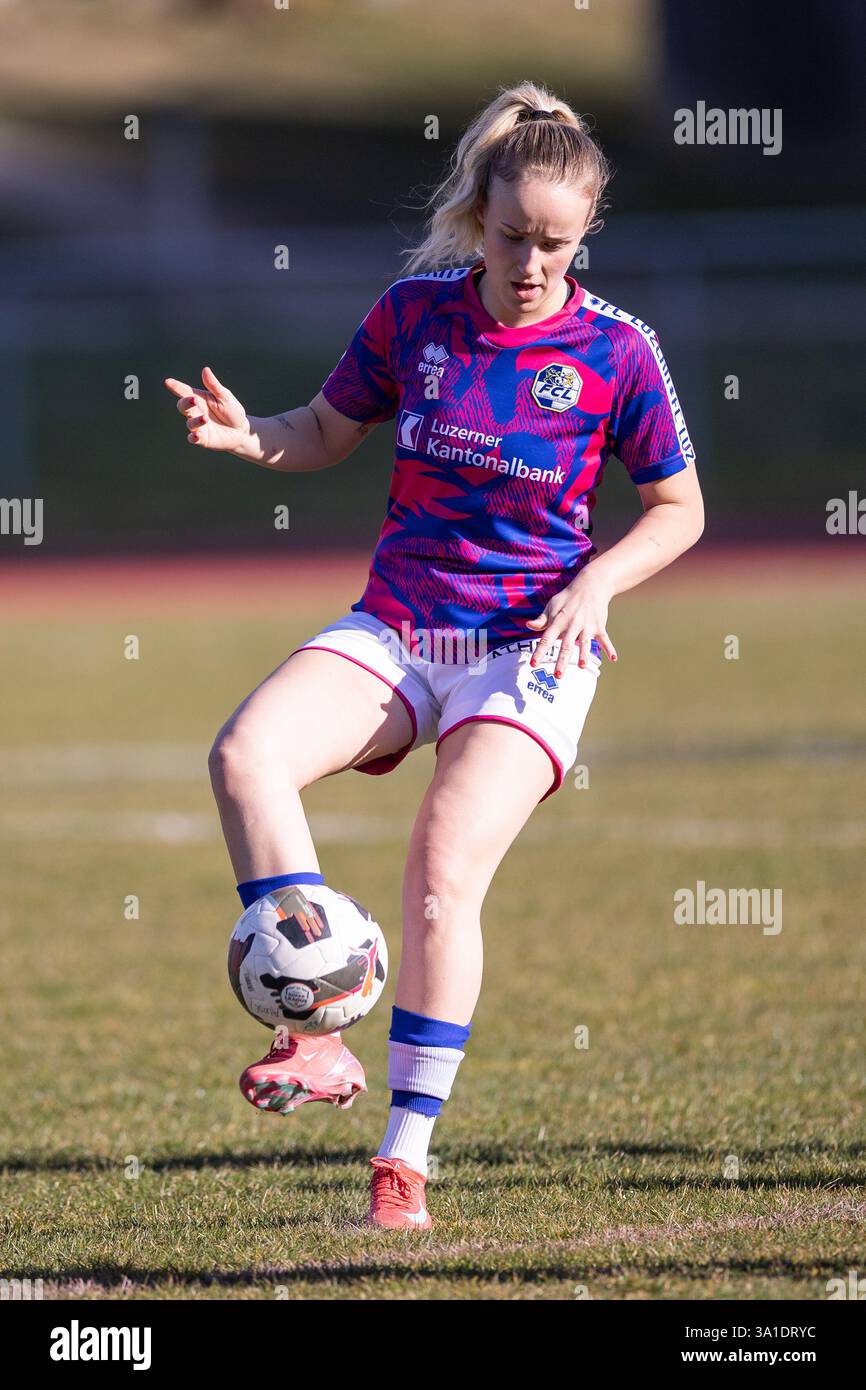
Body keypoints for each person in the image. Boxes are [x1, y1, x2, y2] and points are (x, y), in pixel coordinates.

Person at [164, 79, 705, 1232]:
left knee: (437, 874)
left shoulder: (616, 351)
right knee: (246, 756)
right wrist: (242, 435)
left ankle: (403, 1157)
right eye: (513, 238)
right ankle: (317, 1036)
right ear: (479, 217)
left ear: (586, 235)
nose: (531, 264)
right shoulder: (415, 316)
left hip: (529, 645)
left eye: (557, 245)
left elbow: (678, 507)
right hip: (405, 624)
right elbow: (319, 431)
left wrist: (594, 581)